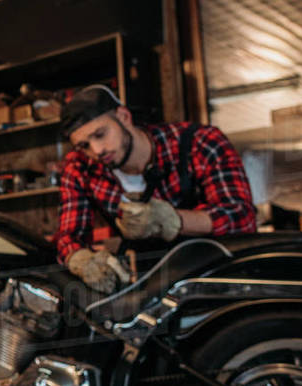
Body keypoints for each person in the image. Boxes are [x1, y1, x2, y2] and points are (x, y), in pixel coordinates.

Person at [55, 84, 255, 293]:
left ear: (124, 116)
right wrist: (80, 259)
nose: (97, 150)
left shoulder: (200, 142)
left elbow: (241, 217)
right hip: (148, 284)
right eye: (84, 146)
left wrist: (171, 220)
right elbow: (69, 236)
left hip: (217, 276)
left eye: (100, 134)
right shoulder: (80, 168)